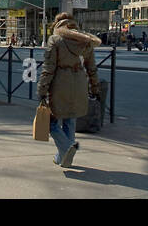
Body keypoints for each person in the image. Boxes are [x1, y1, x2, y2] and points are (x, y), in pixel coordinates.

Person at [36, 12, 101, 168]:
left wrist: (42, 89)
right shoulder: (85, 42)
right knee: (70, 120)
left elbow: (48, 68)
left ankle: (66, 149)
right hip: (79, 83)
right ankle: (62, 157)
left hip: (60, 84)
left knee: (50, 122)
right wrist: (95, 87)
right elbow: (92, 68)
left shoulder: (55, 40)